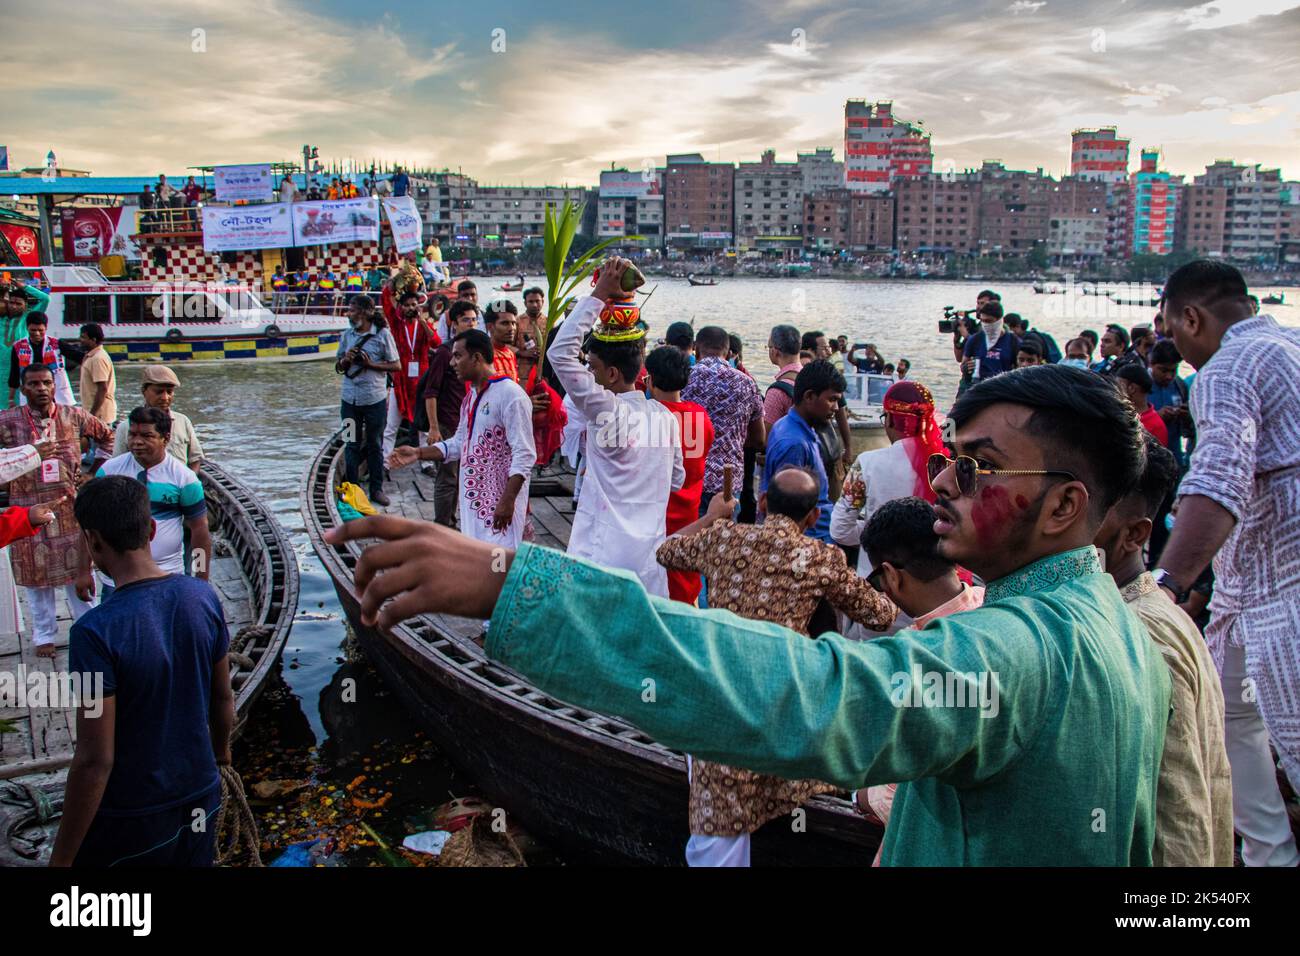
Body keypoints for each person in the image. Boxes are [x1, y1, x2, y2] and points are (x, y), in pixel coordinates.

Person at [327, 363, 1170, 866]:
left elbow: (812, 691)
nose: (943, 483)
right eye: (951, 458)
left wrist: (516, 583)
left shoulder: (1013, 652)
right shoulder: (1120, 626)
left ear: (1064, 507)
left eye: (980, 468)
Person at [656, 467, 896, 866]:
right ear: (813, 518)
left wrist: (714, 515)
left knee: (720, 811)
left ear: (764, 502)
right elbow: (880, 615)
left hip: (717, 693)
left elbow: (666, 550)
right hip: (781, 703)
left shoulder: (723, 538)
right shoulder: (821, 557)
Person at [1154, 259, 1300, 867]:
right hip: (1245, 596)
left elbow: (1217, 481)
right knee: (1223, 710)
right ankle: (1269, 853)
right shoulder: (1289, 342)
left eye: (1171, 329)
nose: (1175, 345)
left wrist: (1164, 585)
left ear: (1193, 317)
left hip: (1281, 592)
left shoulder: (1226, 368)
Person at [49, 476, 233, 867]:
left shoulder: (91, 634)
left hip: (134, 819)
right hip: (201, 794)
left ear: (93, 541)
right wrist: (221, 760)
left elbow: (95, 760)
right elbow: (222, 698)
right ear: (151, 529)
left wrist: (61, 858)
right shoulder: (203, 597)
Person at [1093, 435, 1232, 867]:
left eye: (1082, 508)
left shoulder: (1137, 631)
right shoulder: (1144, 607)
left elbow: (1177, 804)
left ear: (1134, 534)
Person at [855, 495, 986, 863]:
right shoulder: (991, 604)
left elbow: (907, 799)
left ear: (891, 576)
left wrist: (863, 796)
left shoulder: (917, 657)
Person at [549, 258, 683, 596]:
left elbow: (560, 355)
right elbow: (677, 479)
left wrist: (598, 295)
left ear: (611, 374)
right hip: (648, 563)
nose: (588, 374)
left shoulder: (608, 412)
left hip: (603, 557)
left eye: (592, 367)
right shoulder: (665, 417)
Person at [0, 364, 115, 658]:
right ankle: (43, 636)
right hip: (25, 512)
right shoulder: (7, 420)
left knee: (79, 570)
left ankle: (90, 630)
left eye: (46, 383)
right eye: (34, 384)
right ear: (23, 389)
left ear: (54, 386)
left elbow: (108, 437)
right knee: (36, 580)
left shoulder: (73, 415)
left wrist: (94, 473)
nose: (41, 388)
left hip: (69, 509)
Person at [389, 330, 535, 550]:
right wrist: (418, 453)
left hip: (499, 505)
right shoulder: (472, 396)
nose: (452, 363)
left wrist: (507, 501)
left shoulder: (511, 396)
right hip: (474, 505)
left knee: (500, 564)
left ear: (476, 358)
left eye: (458, 356)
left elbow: (525, 454)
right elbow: (459, 444)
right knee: (481, 564)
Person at [831, 380, 945, 585]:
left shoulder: (867, 464)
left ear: (890, 419)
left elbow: (840, 529)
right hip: (933, 586)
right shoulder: (945, 464)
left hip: (879, 583)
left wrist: (876, 531)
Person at [96, 406, 211, 600]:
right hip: (117, 578)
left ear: (165, 439)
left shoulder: (185, 479)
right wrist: (83, 570)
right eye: (132, 435)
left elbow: (200, 531)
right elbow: (90, 524)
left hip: (168, 574)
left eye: (147, 436)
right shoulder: (108, 472)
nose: (137, 442)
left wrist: (200, 578)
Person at [645, 346, 713, 604]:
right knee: (685, 585)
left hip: (656, 517)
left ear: (651, 378)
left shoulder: (647, 418)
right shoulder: (701, 417)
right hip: (689, 516)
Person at [680, 326, 763, 517]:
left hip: (690, 478)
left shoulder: (683, 378)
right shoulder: (746, 383)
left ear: (696, 348)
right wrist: (732, 440)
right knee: (722, 542)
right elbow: (759, 439)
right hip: (728, 482)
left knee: (690, 541)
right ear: (728, 351)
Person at [762, 359, 842, 542]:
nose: (836, 408)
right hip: (809, 540)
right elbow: (787, 515)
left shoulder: (797, 426)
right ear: (809, 396)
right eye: (832, 400)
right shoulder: (794, 443)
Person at [415, 302, 480, 526]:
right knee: (447, 477)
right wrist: (433, 428)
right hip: (448, 422)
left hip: (468, 423)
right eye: (466, 320)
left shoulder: (475, 353)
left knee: (462, 477)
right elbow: (431, 392)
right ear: (453, 323)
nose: (471, 323)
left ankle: (451, 521)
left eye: (474, 319)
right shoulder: (445, 353)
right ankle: (443, 526)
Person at [336, 295, 400, 508]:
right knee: (351, 443)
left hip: (374, 400)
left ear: (364, 313)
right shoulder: (346, 336)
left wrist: (370, 364)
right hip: (349, 401)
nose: (349, 314)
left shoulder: (383, 335)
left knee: (374, 444)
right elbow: (339, 366)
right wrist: (345, 360)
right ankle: (353, 491)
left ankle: (376, 489)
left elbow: (395, 365)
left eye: (352, 310)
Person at [111, 365, 203, 468]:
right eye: (158, 392)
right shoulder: (126, 427)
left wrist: (189, 480)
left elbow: (195, 459)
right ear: (144, 391)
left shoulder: (183, 421)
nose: (165, 398)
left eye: (169, 392)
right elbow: (118, 463)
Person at [383, 289, 437, 461]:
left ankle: (426, 463)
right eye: (406, 305)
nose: (410, 308)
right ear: (401, 307)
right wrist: (392, 286)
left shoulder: (424, 325)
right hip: (400, 383)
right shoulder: (397, 324)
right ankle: (386, 462)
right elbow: (386, 302)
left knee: (424, 427)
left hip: (421, 383)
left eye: (414, 304)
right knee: (391, 427)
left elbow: (436, 342)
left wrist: (422, 322)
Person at [8, 312, 75, 407]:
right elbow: (14, 374)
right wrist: (11, 399)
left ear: (46, 328)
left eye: (40, 330)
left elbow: (79, 356)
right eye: (33, 330)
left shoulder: (57, 344)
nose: (37, 334)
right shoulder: (18, 347)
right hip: (31, 390)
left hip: (58, 393)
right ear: (27, 328)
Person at [2, 277, 50, 410]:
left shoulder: (28, 319)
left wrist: (24, 287)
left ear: (26, 305)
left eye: (18, 303)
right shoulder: (2, 319)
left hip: (20, 368)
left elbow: (46, 299)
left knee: (21, 408)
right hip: (1, 368)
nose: (14, 306)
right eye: (11, 303)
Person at [1148, 339, 1195, 470]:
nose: (1169, 376)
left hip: (1174, 455)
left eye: (1173, 371)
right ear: (1151, 364)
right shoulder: (1140, 385)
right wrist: (1156, 417)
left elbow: (1189, 428)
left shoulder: (1180, 385)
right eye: (1163, 370)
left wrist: (1188, 415)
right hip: (1148, 457)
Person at [960, 301, 1018, 384]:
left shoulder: (1013, 341)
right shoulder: (975, 339)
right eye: (983, 321)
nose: (986, 325)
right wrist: (965, 368)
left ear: (999, 320)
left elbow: (1020, 367)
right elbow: (963, 364)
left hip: (1003, 388)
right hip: (979, 387)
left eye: (989, 321)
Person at [1114, 363, 1168, 447]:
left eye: (1118, 385)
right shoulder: (1121, 415)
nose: (1116, 390)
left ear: (1132, 388)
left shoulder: (1155, 426)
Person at [761, 324, 803, 428]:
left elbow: (766, 437)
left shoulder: (777, 392)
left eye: (769, 346)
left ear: (774, 351)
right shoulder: (809, 375)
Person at [78, 322, 117, 430]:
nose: (80, 340)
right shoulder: (92, 356)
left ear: (93, 339)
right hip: (95, 415)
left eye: (83, 337)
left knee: (98, 446)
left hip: (100, 416)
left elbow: (102, 389)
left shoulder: (98, 359)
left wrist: (92, 415)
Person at [485, 300, 520, 383]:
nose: (512, 328)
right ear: (490, 326)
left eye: (513, 323)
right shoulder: (483, 355)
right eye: (505, 323)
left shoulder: (510, 354)